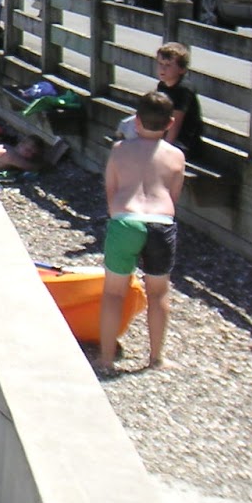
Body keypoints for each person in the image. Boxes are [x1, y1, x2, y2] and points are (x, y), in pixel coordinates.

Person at [96, 91, 185, 372]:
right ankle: (156, 358)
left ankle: (106, 359)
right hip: (161, 221)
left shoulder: (120, 150)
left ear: (136, 120)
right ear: (170, 122)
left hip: (125, 220)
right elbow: (174, 195)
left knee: (113, 293)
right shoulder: (176, 155)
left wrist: (117, 214)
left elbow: (111, 187)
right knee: (158, 294)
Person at [154, 42, 203, 155]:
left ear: (182, 70)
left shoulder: (184, 89)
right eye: (160, 63)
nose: (162, 68)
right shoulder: (162, 85)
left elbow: (176, 122)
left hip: (183, 142)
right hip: (165, 133)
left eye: (168, 65)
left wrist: (164, 149)